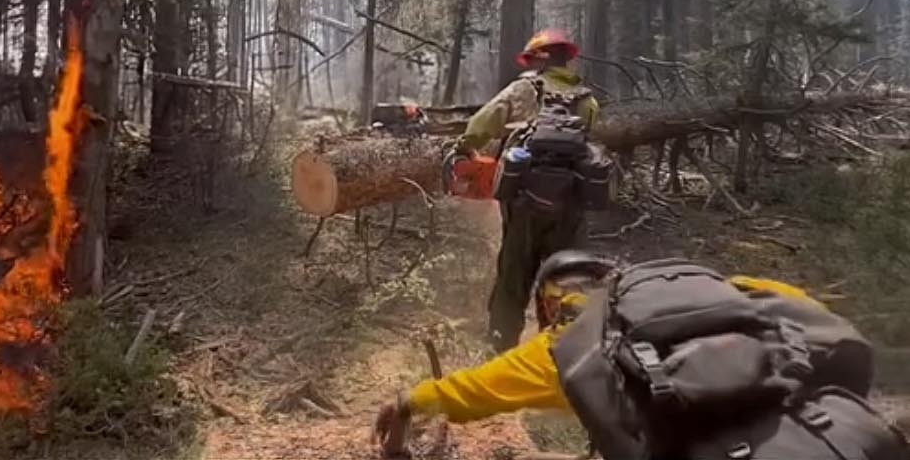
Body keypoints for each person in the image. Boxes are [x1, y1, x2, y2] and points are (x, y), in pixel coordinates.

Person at [373, 251, 909, 460]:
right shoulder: (739, 289)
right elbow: (835, 335)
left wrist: (407, 402)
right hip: (838, 440)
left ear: (553, 304)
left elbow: (472, 391)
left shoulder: (574, 343)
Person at [456, 29, 600, 352]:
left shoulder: (525, 88)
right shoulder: (587, 99)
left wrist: (463, 146)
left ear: (540, 59)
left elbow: (482, 123)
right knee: (565, 279)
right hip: (570, 205)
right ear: (566, 60)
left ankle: (501, 349)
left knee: (513, 279)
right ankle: (561, 352)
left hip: (524, 204)